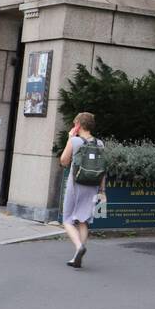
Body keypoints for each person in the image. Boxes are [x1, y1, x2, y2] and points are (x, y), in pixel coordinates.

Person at [59, 112, 106, 268]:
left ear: (78, 125)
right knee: (83, 220)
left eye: (74, 124)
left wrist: (69, 139)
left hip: (76, 184)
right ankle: (76, 257)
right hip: (93, 186)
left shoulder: (75, 141)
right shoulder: (100, 143)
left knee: (67, 219)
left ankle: (79, 247)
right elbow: (103, 169)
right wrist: (102, 190)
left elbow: (64, 161)